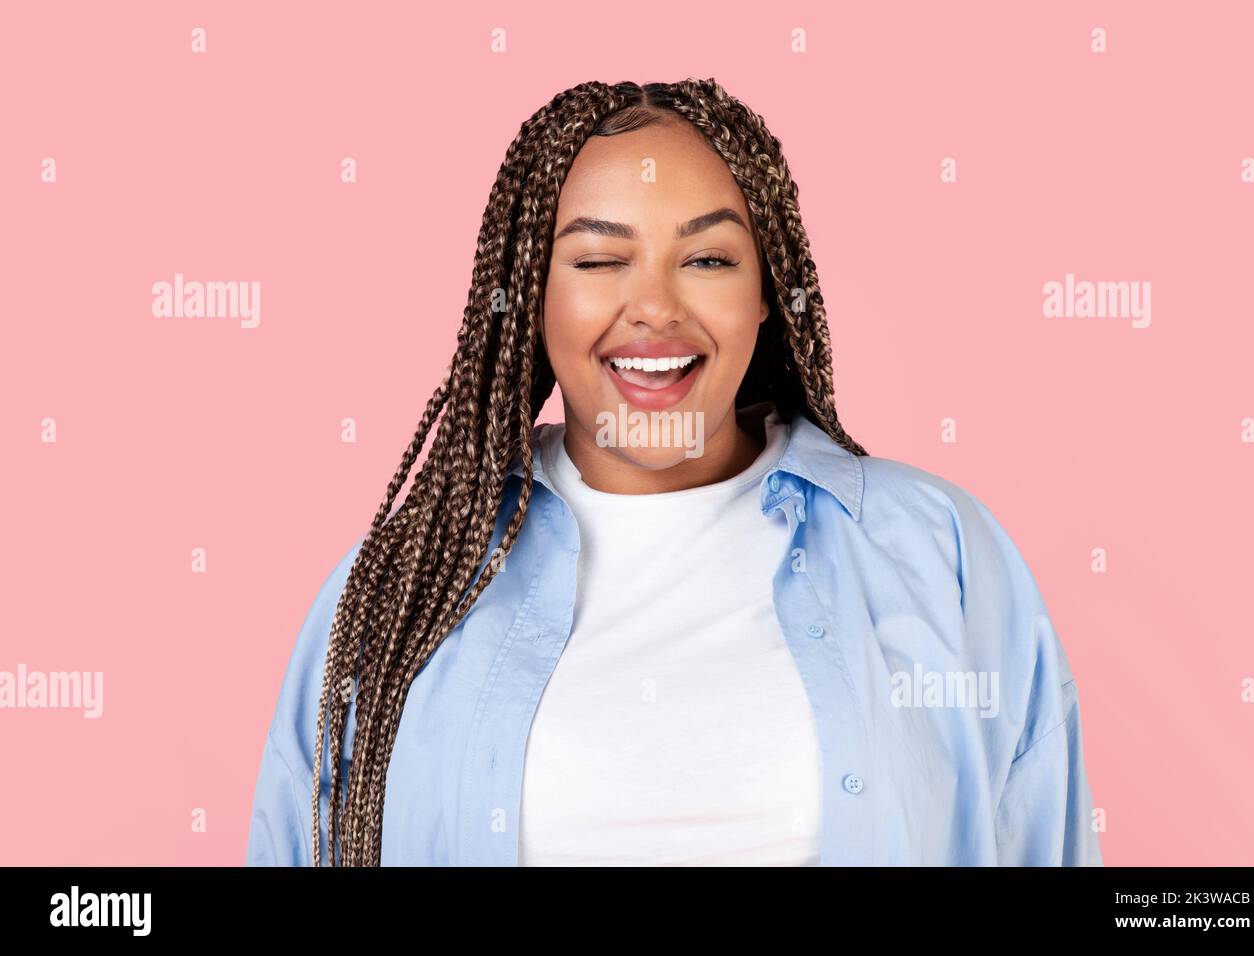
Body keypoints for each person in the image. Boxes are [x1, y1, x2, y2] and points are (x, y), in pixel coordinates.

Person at [245, 78, 1102, 867]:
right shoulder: (402, 589)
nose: (654, 307)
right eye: (596, 260)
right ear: (532, 295)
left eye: (708, 260)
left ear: (767, 291)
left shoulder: (941, 554)